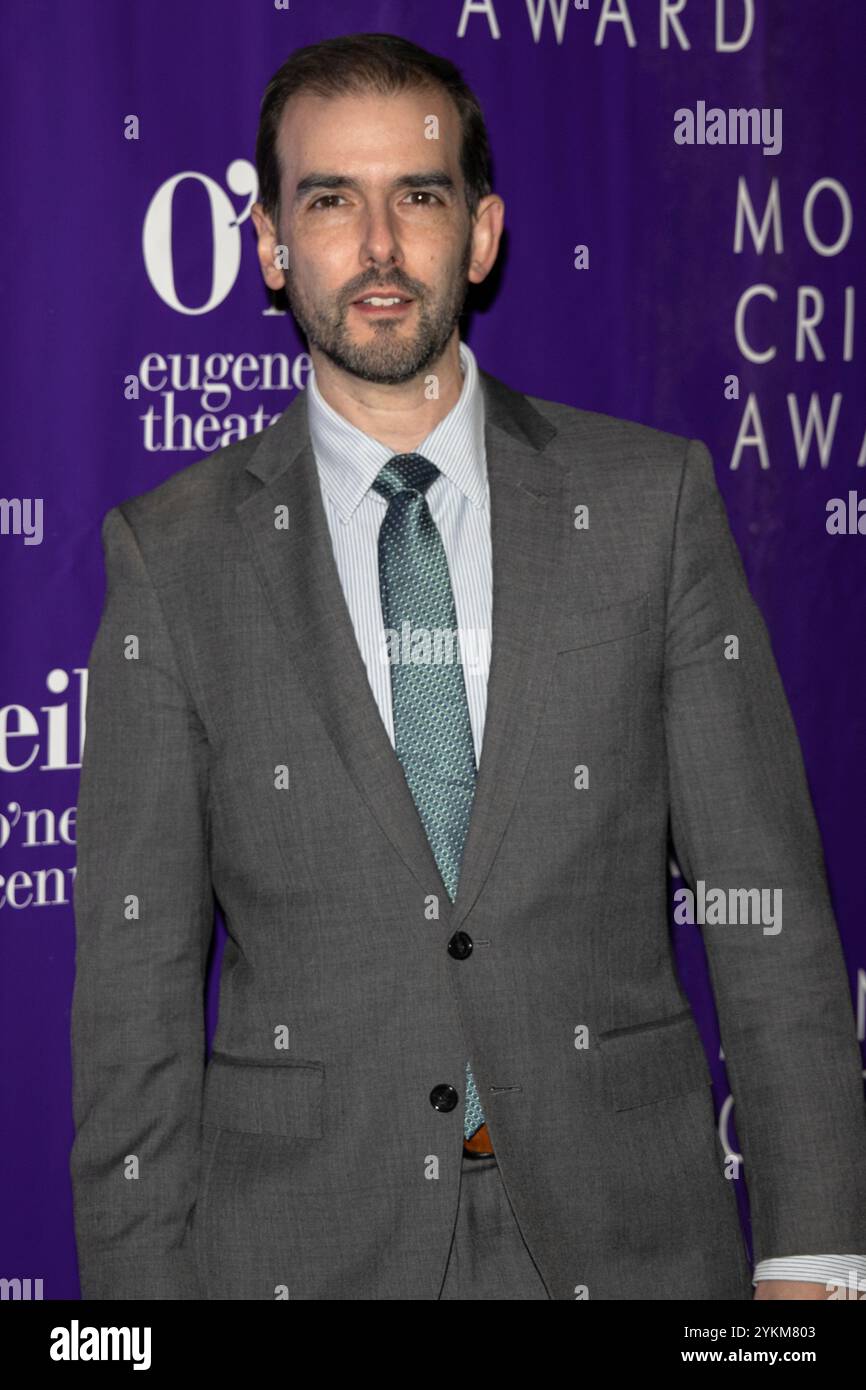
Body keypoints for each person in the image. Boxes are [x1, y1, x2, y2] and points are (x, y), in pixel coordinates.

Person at [70, 32, 866, 1300]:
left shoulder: (648, 503)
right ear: (272, 244)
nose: (377, 244)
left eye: (419, 195)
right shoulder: (173, 559)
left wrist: (816, 1264)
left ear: (479, 234)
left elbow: (765, 908)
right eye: (330, 198)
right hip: (306, 1252)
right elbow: (135, 999)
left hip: (633, 1243)